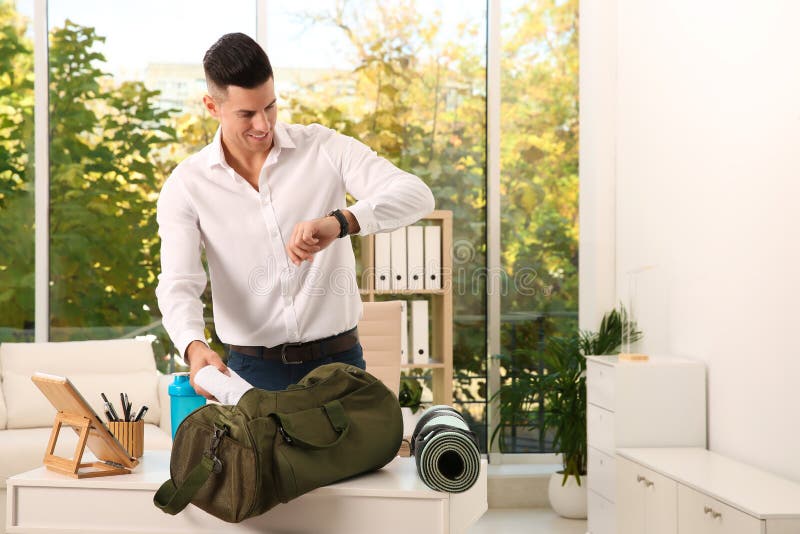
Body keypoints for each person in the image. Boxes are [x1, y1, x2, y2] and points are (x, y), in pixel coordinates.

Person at [156, 32, 434, 398]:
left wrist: (341, 222)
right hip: (249, 375)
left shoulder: (322, 147)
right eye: (246, 113)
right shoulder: (187, 185)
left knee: (352, 459)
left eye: (270, 107)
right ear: (212, 106)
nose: (263, 125)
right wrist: (194, 347)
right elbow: (179, 283)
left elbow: (417, 195)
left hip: (339, 368)